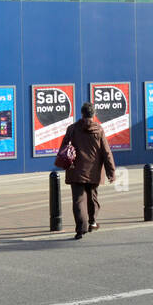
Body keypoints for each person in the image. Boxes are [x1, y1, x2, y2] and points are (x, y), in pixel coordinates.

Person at [57, 102, 117, 240]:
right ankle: (92, 222)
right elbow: (106, 152)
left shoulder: (72, 129)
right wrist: (111, 172)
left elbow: (64, 148)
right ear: (94, 114)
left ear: (82, 113)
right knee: (92, 198)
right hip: (93, 171)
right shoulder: (99, 130)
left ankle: (80, 229)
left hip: (76, 170)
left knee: (78, 201)